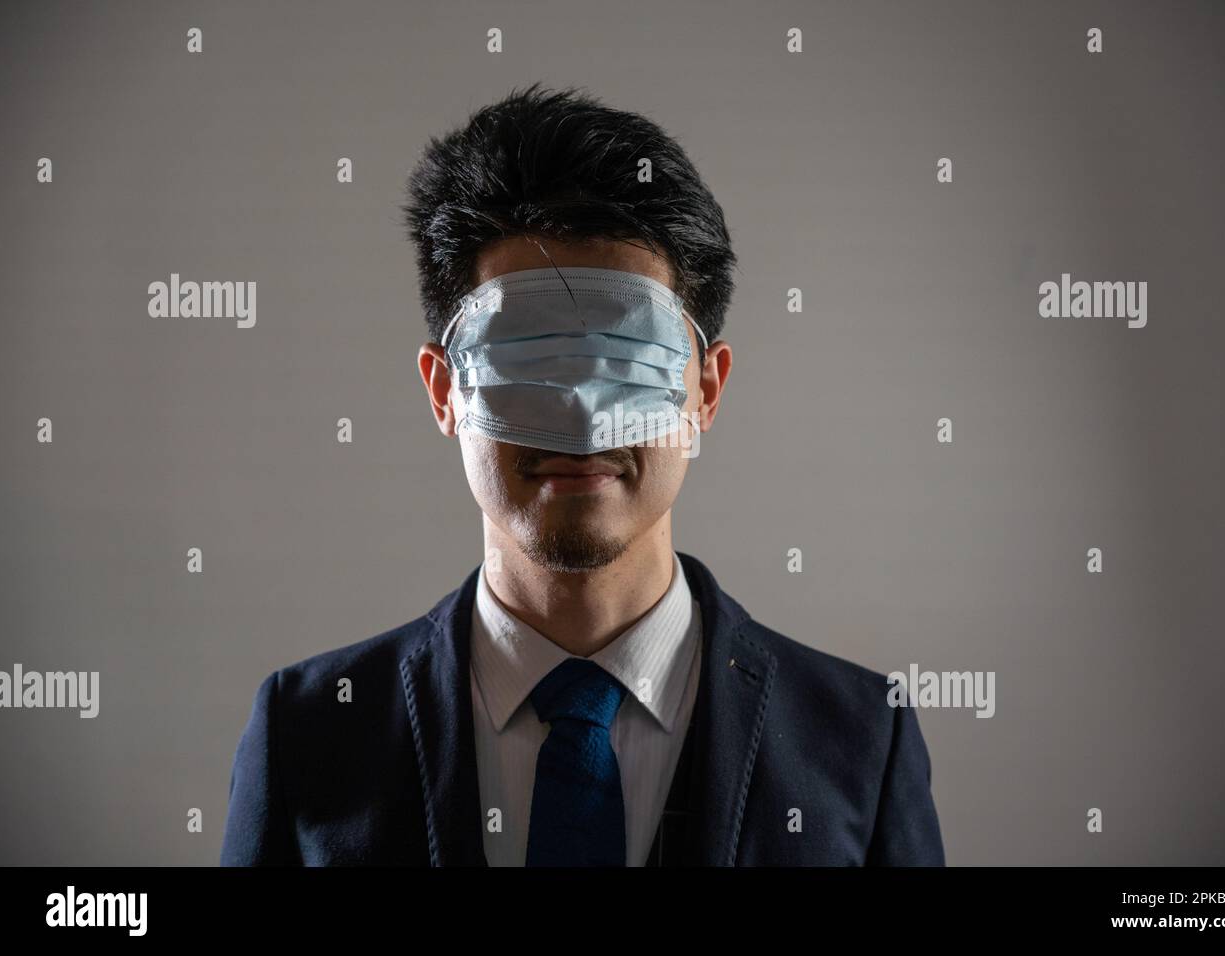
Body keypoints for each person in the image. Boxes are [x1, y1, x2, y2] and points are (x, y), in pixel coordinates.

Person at [219, 83, 945, 866]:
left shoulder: (864, 742)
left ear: (704, 390)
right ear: (444, 390)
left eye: (631, 359)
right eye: (525, 358)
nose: (582, 414)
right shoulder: (307, 735)